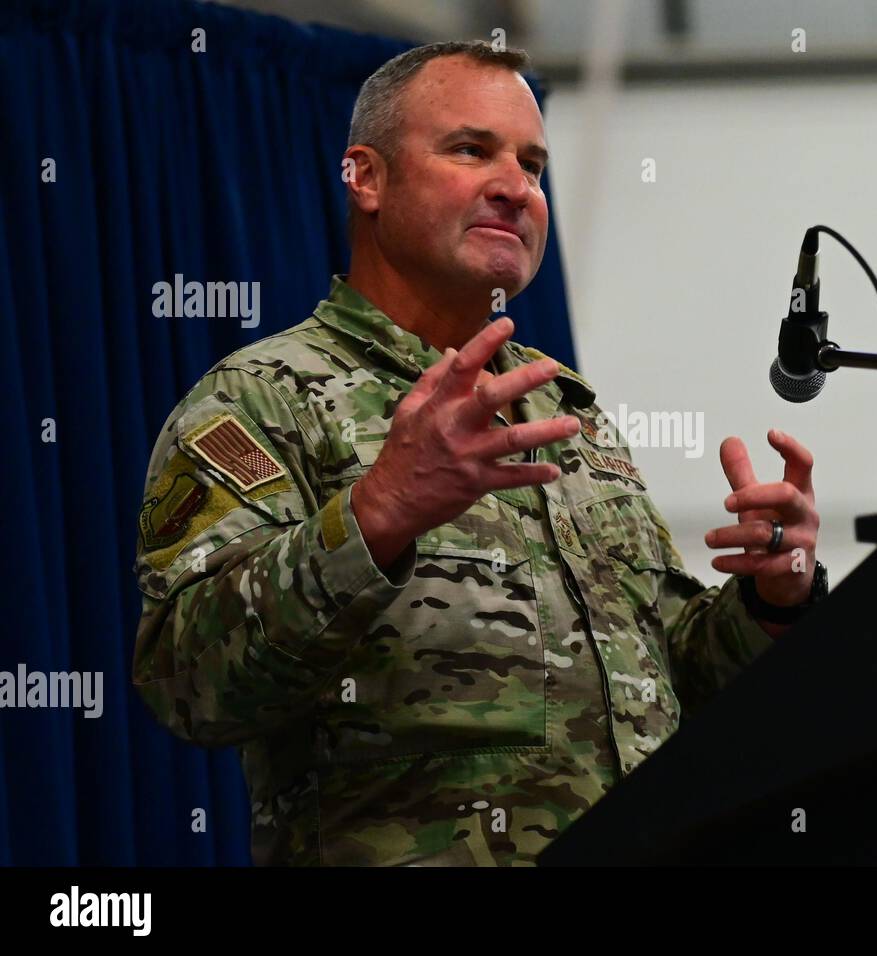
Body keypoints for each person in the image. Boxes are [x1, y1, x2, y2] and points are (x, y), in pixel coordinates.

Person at [132, 39, 825, 866]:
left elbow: (669, 683)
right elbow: (188, 686)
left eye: (533, 165)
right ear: (367, 178)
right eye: (471, 150)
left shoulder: (565, 404)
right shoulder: (262, 395)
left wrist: (769, 603)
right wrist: (376, 514)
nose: (516, 187)